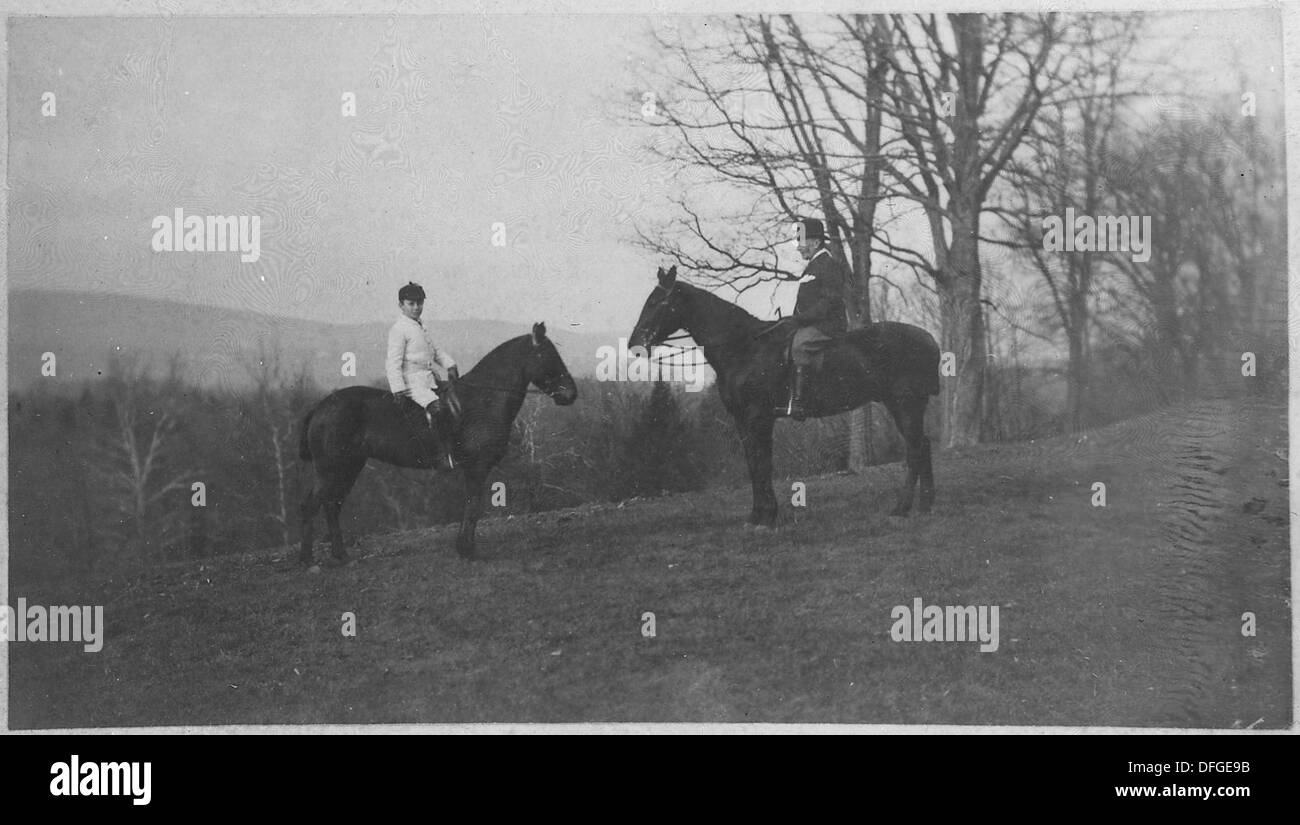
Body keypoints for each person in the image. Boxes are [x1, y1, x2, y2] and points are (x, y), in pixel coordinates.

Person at [780, 217, 849, 420]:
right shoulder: (813, 265)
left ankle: (801, 401)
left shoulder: (828, 264)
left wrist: (800, 320)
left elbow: (828, 302)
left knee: (799, 345)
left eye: (801, 243)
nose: (799, 248)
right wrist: (791, 320)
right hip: (813, 323)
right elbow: (805, 302)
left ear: (815, 242)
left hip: (828, 325)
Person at [386, 281, 460, 469]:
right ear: (401, 305)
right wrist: (398, 390)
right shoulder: (399, 329)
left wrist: (450, 365)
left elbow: (435, 350)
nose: (416, 307)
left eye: (419, 303)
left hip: (429, 379)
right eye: (411, 304)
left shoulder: (420, 326)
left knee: (457, 402)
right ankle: (440, 455)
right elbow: (392, 363)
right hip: (412, 384)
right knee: (438, 410)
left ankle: (456, 448)